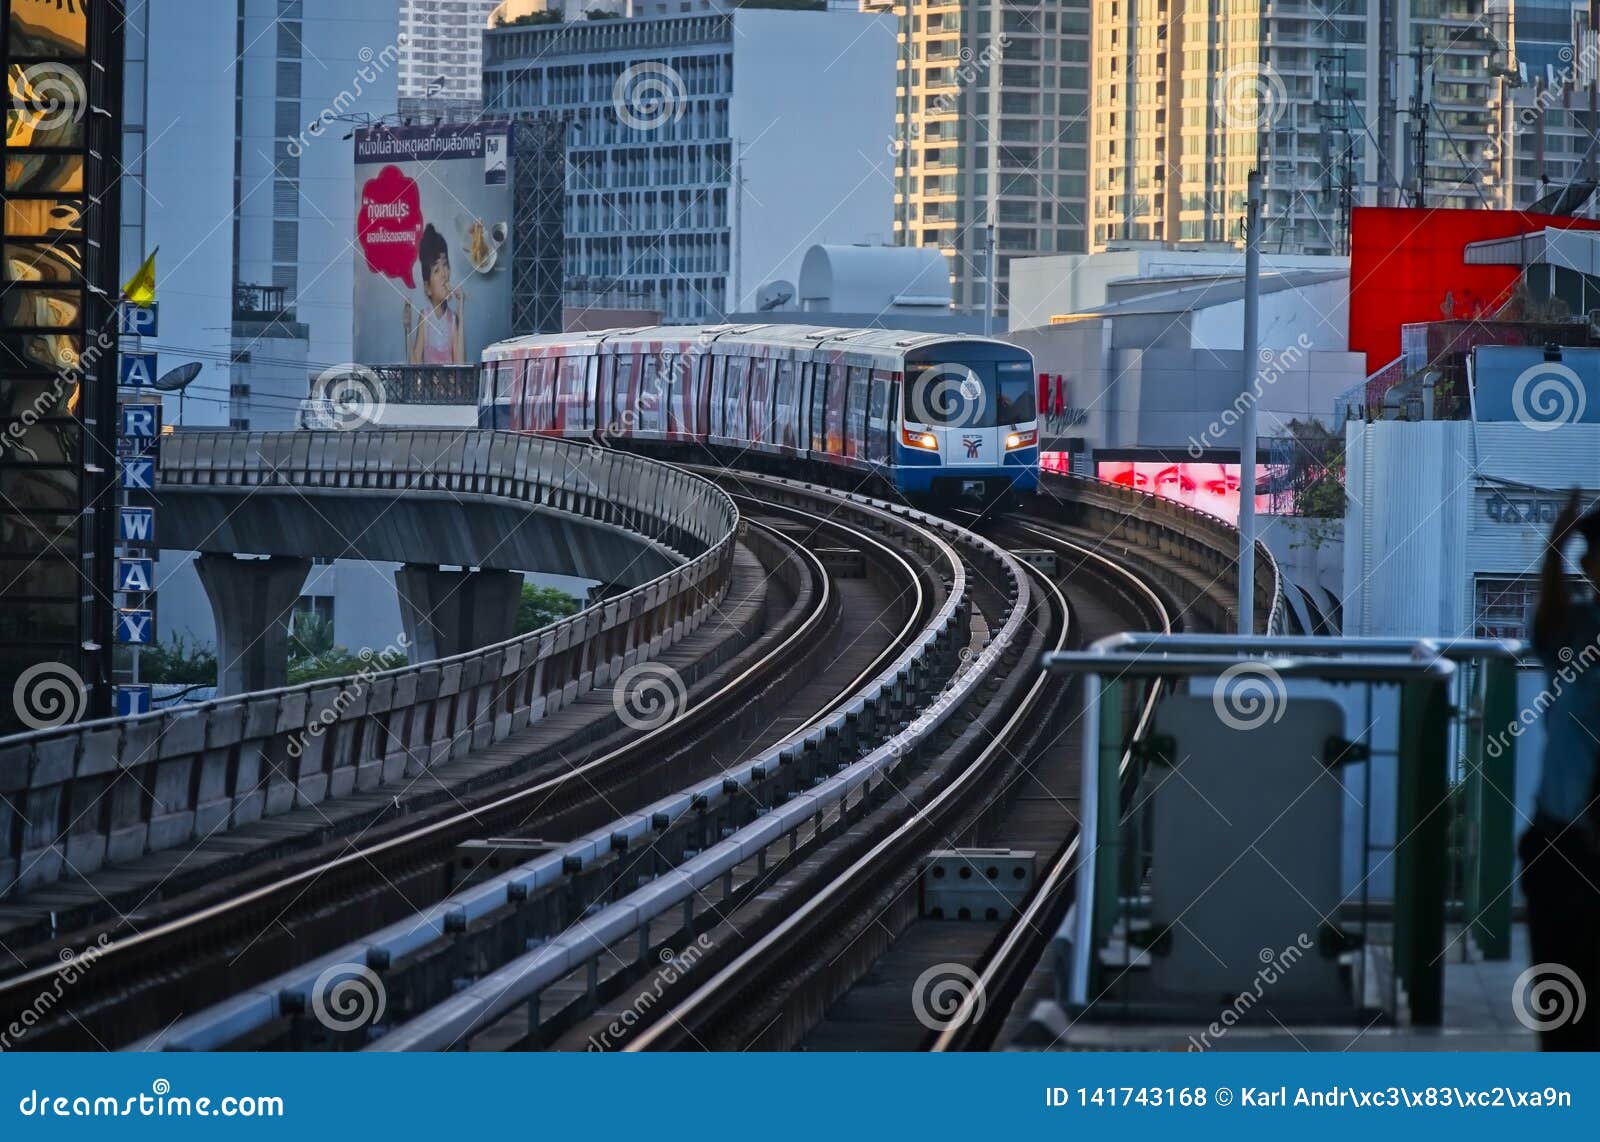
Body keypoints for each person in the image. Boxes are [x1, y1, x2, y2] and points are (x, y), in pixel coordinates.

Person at [1523, 488, 1600, 1050]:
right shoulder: (1578, 627)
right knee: (1564, 989)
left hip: (1568, 833)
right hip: (1564, 837)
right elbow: (1547, 620)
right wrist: (1554, 545)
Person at [403, 223, 466, 364]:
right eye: (437, 270)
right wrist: (407, 329)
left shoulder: (452, 319)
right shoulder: (425, 317)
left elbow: (460, 364)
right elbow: (415, 365)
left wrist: (460, 311)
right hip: (428, 386)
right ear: (427, 288)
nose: (444, 274)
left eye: (446, 265)